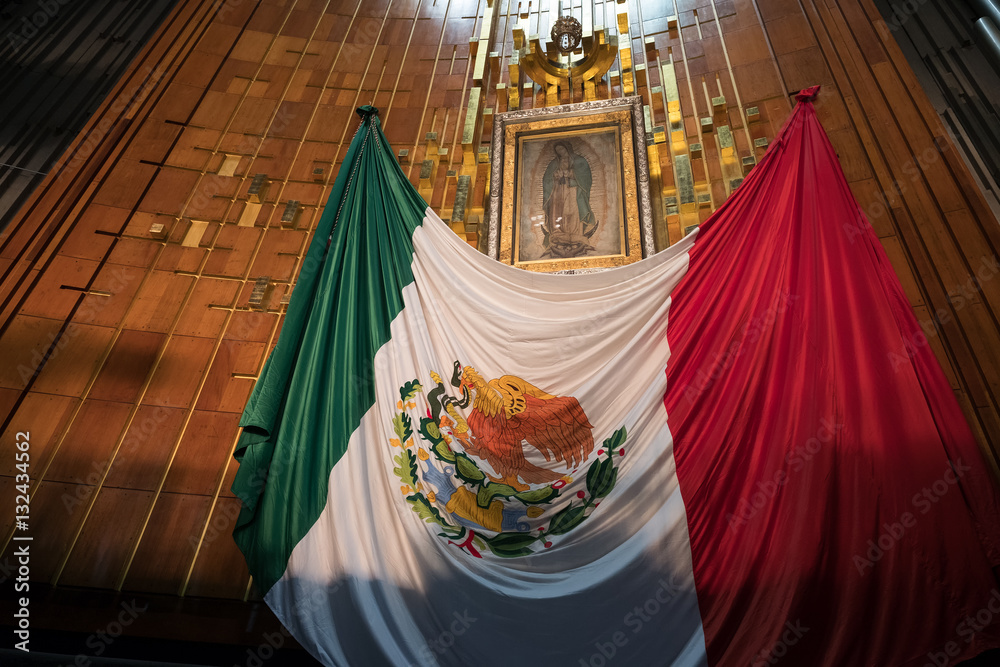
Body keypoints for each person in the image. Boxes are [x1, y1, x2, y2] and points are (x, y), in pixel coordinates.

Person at [541, 140, 597, 258]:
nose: (560, 153)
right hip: (557, 191)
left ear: (567, 148)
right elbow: (546, 179)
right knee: (558, 212)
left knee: (573, 211)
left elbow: (586, 177)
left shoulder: (579, 161)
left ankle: (575, 234)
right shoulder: (554, 163)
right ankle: (558, 233)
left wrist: (571, 174)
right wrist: (555, 176)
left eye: (562, 149)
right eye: (558, 151)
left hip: (573, 190)